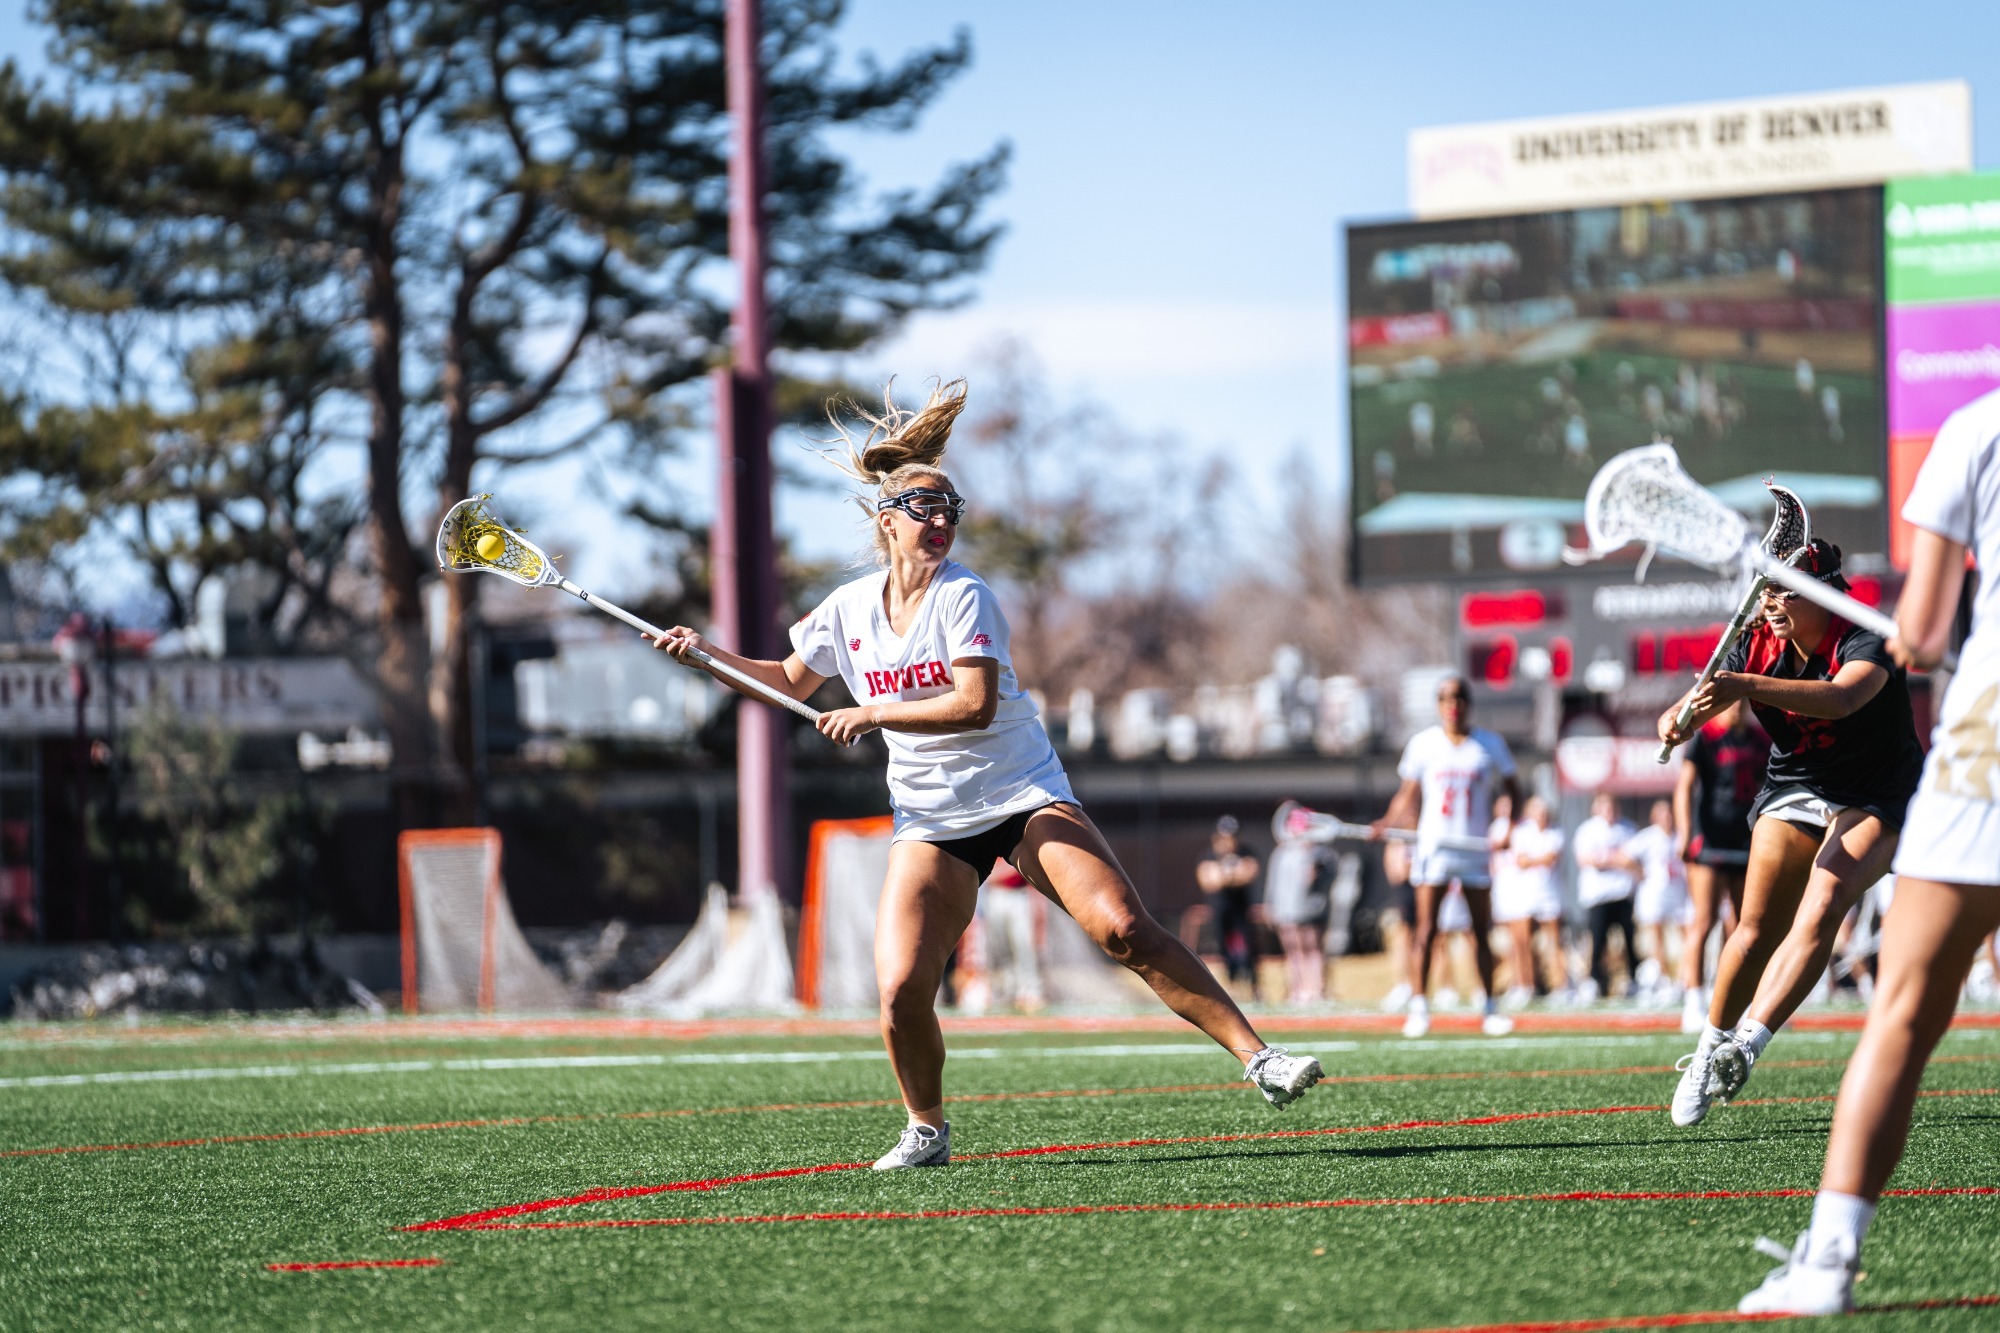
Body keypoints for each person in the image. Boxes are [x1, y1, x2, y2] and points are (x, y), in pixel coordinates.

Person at [648, 379, 1322, 1169]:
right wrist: (707, 656)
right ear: (885, 520)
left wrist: (871, 715)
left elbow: (971, 705)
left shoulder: (966, 596)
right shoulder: (847, 609)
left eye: (949, 512)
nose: (940, 523)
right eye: (923, 511)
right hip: (932, 818)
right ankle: (925, 1127)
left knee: (1123, 928)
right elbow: (786, 682)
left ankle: (1259, 1056)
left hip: (1021, 794)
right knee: (901, 989)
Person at [1736, 386, 2000, 1315]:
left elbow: (1922, 638)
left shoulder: (1974, 429)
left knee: (1902, 1016)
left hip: (1986, 750)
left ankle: (1828, 1265)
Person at [1658, 538, 1924, 1129]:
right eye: (1767, 588)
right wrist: (1680, 721)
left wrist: (1746, 685)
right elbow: (1681, 715)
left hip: (1877, 791)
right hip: (1798, 783)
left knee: (1826, 898)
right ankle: (1707, 1051)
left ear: (1825, 590)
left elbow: (1841, 698)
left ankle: (1745, 1047)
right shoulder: (1754, 640)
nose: (1772, 601)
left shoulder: (1867, 634)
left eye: (1785, 589)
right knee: (1755, 930)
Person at [1373, 674, 1522, 1037]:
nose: (1451, 704)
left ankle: (1489, 1007)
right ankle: (1419, 1007)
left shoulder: (1489, 744)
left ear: (1468, 703)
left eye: (1457, 697)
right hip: (1434, 849)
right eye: (1444, 698)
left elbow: (1514, 788)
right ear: (1438, 705)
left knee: (1480, 931)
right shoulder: (1423, 744)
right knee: (1426, 929)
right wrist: (1387, 822)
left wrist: (1508, 827)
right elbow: (1407, 794)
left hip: (1473, 850)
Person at [1674, 700, 1767, 1033]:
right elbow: (1685, 786)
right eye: (1732, 701)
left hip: (1746, 840)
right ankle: (1693, 1000)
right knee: (1703, 920)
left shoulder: (1759, 740)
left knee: (1745, 925)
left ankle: (1736, 1002)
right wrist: (1685, 833)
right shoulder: (1706, 737)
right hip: (1710, 840)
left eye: (1743, 702)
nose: (1737, 708)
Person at [1494, 795, 1568, 1009]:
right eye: (1537, 812)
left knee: (1554, 941)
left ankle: (1560, 986)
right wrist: (1538, 859)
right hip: (1525, 894)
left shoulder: (1556, 832)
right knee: (1522, 942)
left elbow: (1548, 858)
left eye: (1544, 813)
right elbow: (1522, 861)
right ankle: (1527, 985)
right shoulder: (1521, 832)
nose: (1542, 816)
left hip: (1550, 894)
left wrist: (1533, 859)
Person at [1573, 793, 1638, 1001]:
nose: (1609, 810)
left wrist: (1607, 859)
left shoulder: (1627, 828)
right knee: (1597, 940)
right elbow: (1586, 860)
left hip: (1622, 893)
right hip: (1598, 895)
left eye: (1612, 805)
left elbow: (1633, 860)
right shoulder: (1587, 830)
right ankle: (1593, 980)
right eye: (1604, 806)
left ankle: (1634, 979)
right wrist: (1616, 860)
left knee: (1630, 939)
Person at [1628, 798, 1687, 1004]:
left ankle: (1683, 979)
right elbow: (1625, 856)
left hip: (1679, 890)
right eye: (1662, 813)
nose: (1667, 817)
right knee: (1657, 935)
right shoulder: (1648, 837)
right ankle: (1662, 981)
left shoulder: (1680, 835)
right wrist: (1639, 872)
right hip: (1655, 892)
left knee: (1687, 934)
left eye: (1669, 812)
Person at [1262, 827, 1328, 1005]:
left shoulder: (1318, 851)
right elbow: (1273, 881)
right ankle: (1298, 989)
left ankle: (1316, 989)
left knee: (1312, 949)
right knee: (1293, 951)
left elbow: (1326, 874)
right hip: (1286, 910)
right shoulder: (1282, 852)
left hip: (1310, 909)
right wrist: (1270, 905)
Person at [1196, 818, 1261, 998]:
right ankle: (1231, 986)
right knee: (1224, 951)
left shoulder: (1246, 852)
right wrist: (1231, 874)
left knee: (1249, 950)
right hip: (1220, 911)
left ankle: (1254, 988)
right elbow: (1209, 882)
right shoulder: (1208, 855)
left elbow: (1248, 874)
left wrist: (1225, 875)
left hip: (1242, 910)